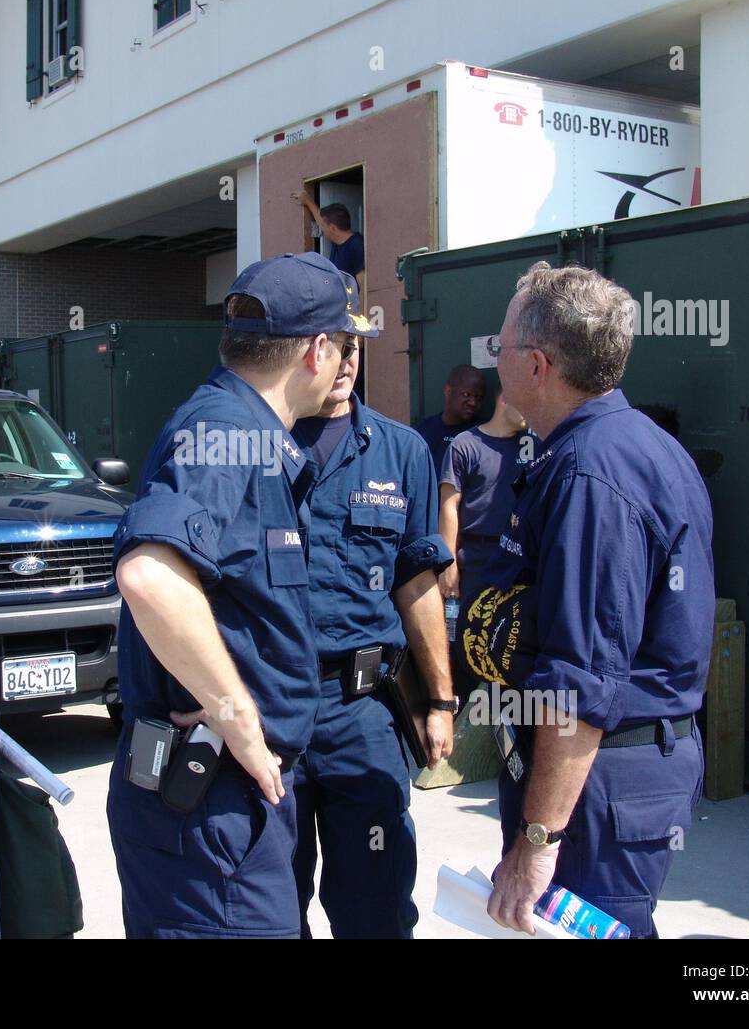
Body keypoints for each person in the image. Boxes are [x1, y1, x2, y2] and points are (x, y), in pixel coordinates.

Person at [107, 252, 363, 939]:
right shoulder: (227, 430)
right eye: (343, 344)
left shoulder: (249, 431)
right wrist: (240, 717)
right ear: (316, 350)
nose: (345, 362)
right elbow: (150, 576)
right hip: (209, 800)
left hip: (226, 799)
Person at [466, 262, 713, 939]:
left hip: (600, 779)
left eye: (502, 346)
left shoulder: (591, 474)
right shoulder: (632, 445)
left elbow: (582, 679)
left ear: (539, 364)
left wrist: (538, 840)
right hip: (611, 770)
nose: (496, 361)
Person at [290, 333, 455, 939]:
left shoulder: (402, 450)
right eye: (331, 344)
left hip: (361, 707)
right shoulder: (253, 444)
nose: (345, 359)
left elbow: (417, 584)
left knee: (377, 900)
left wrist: (439, 701)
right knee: (270, 897)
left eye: (354, 345)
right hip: (269, 704)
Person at [439, 385, 530, 702]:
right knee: (468, 644)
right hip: (475, 561)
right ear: (504, 398)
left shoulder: (532, 444)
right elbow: (449, 505)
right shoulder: (466, 444)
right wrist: (447, 563)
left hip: (520, 565)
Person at [413, 365, 485, 483]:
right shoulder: (425, 429)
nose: (473, 402)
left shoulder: (482, 434)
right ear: (448, 391)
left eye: (479, 398)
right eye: (466, 394)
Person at [290, 191, 366, 301]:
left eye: (324, 227)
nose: (322, 229)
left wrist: (360, 317)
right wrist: (308, 201)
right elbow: (322, 222)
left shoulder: (356, 245)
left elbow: (364, 286)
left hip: (351, 312)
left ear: (333, 228)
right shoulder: (338, 241)